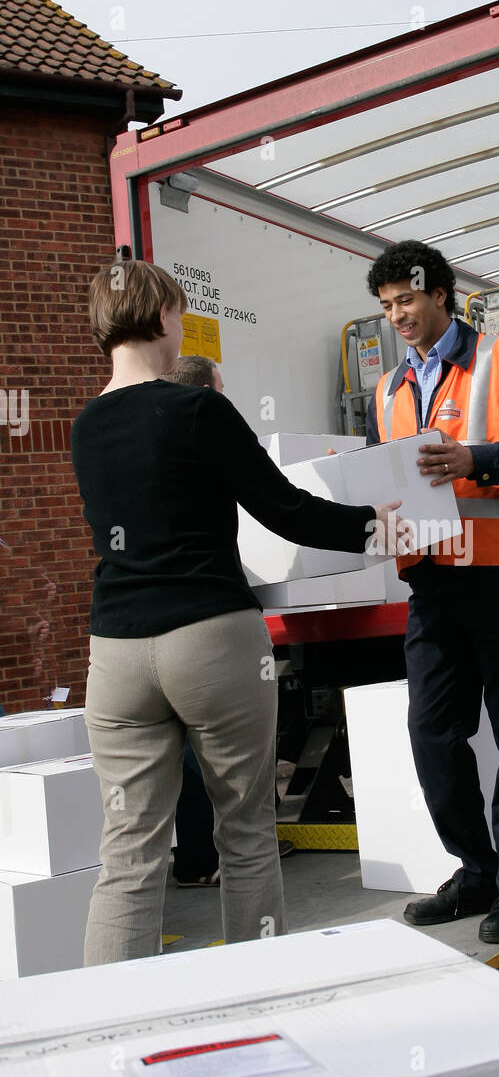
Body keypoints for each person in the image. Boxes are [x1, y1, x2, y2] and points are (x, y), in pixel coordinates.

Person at [72, 259, 407, 964]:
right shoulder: (197, 408)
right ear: (163, 318)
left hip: (116, 653)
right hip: (211, 638)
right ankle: (256, 1009)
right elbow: (286, 511)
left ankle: (103, 1037)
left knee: (128, 855)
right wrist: (374, 528)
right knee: (247, 832)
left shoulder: (87, 426)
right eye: (179, 314)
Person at [366, 240, 499, 943]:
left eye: (407, 300)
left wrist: (476, 460)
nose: (398, 315)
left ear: (440, 295)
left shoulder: (497, 355)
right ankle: (475, 868)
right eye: (387, 305)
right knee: (430, 730)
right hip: (430, 581)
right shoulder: (388, 389)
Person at [163, 352, 294, 879]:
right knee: (232, 761)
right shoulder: (209, 434)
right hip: (212, 625)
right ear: (206, 394)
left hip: (140, 635)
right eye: (221, 389)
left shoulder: (134, 440)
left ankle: (194, 858)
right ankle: (227, 862)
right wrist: (366, 526)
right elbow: (284, 508)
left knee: (184, 754)